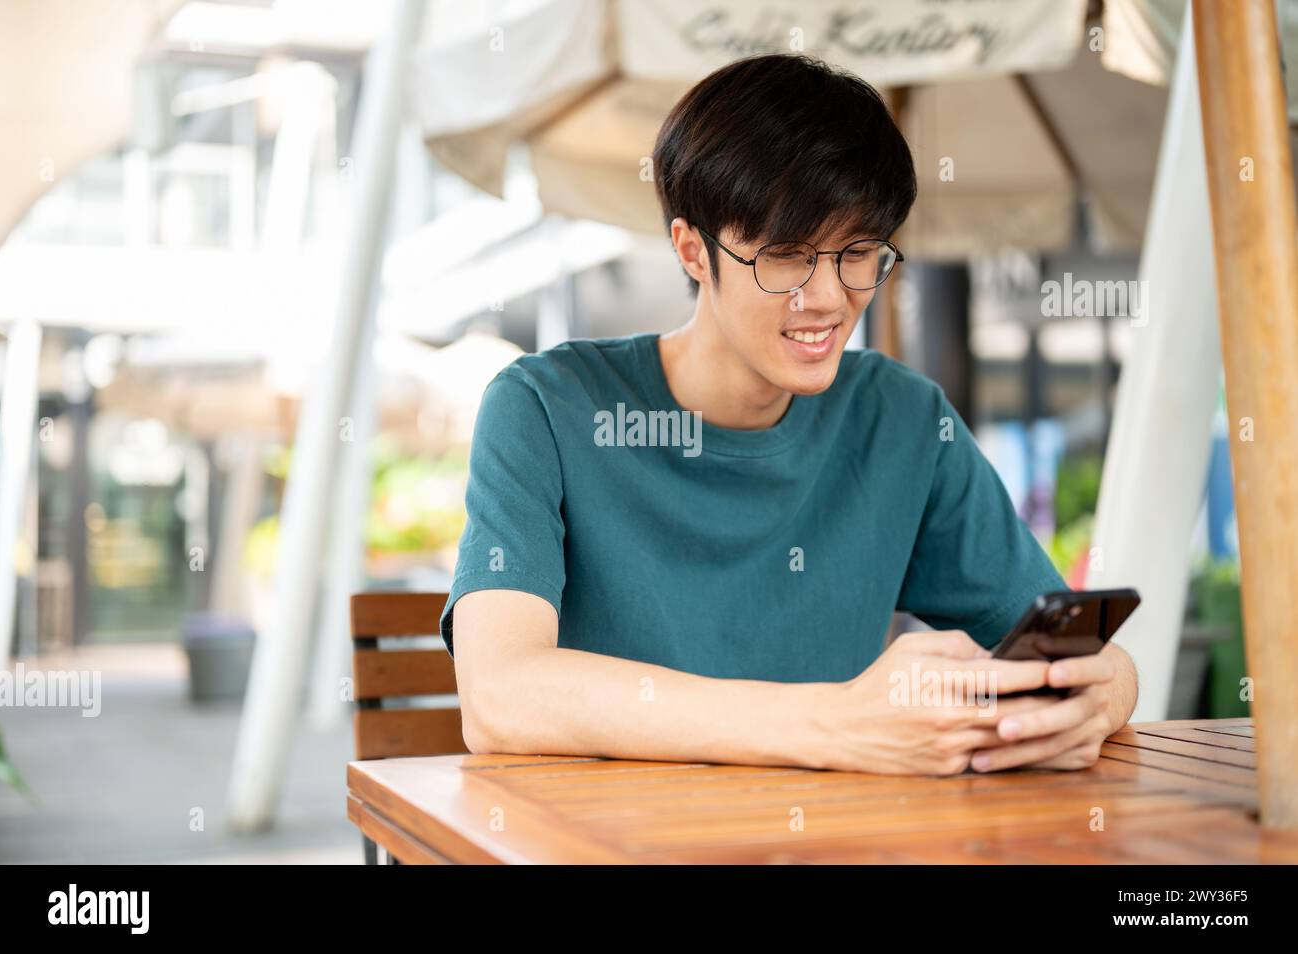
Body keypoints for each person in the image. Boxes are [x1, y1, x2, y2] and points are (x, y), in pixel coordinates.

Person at [440, 53, 1137, 775]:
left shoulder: (902, 421)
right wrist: (838, 726)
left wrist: (1098, 701)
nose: (828, 298)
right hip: (601, 831)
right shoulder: (545, 409)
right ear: (693, 251)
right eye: (785, 255)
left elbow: (1084, 652)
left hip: (838, 832)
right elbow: (499, 695)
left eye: (857, 252)